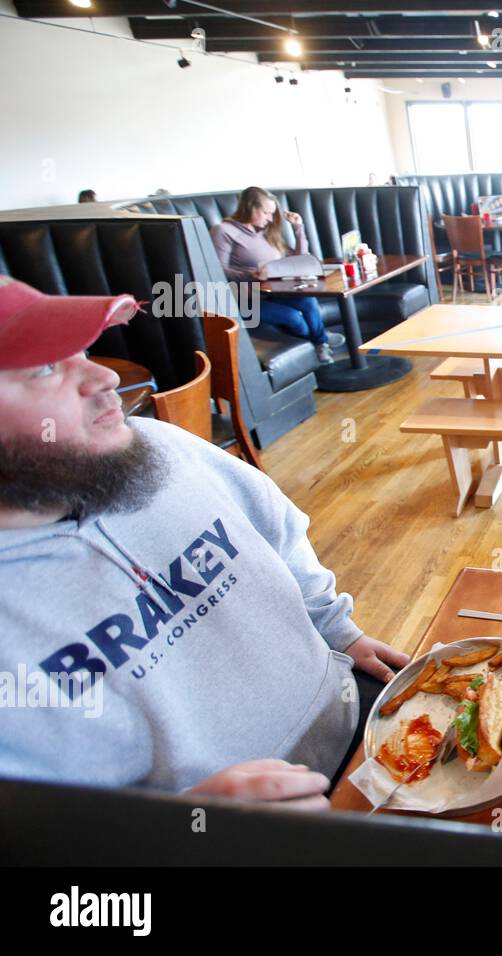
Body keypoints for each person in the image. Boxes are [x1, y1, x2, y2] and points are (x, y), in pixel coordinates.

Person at [0, 277, 408, 809]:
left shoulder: (156, 445)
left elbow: (276, 527)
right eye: (47, 367)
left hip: (361, 710)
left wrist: (336, 626)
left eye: (82, 351)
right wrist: (181, 834)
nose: (102, 377)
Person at [210, 186, 344, 364]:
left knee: (308, 301)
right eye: (266, 213)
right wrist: (250, 274)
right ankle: (320, 340)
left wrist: (298, 228)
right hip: (247, 300)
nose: (270, 218)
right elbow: (216, 270)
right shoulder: (223, 231)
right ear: (250, 207)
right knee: (292, 317)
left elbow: (300, 261)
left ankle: (320, 343)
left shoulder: (264, 232)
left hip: (274, 293)